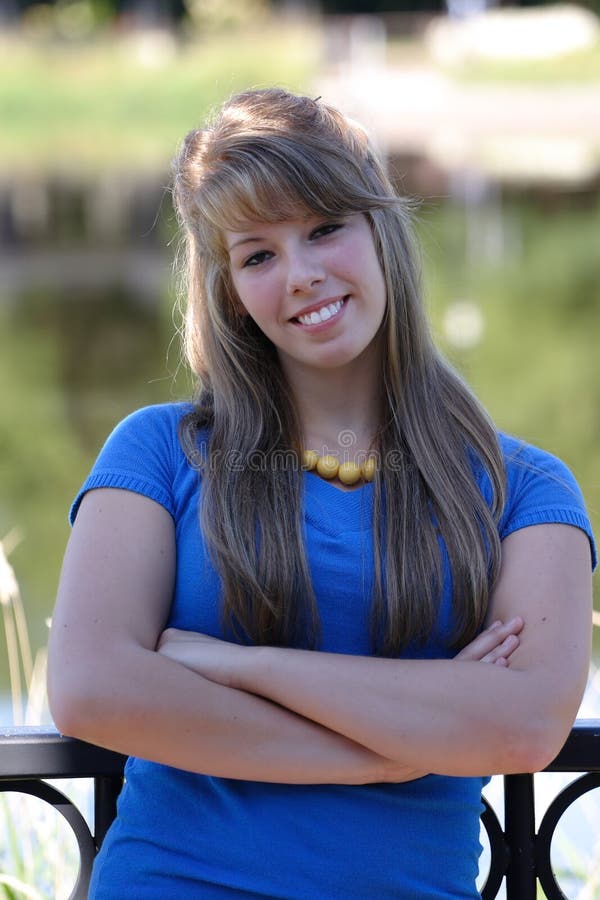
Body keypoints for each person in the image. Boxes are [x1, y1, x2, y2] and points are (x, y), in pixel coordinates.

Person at [47, 88, 596, 899]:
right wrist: (398, 752)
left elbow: (521, 726)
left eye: (325, 228)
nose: (300, 276)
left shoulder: (524, 489)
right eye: (257, 255)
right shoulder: (159, 451)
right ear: (230, 288)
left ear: (381, 230)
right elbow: (91, 687)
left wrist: (239, 665)